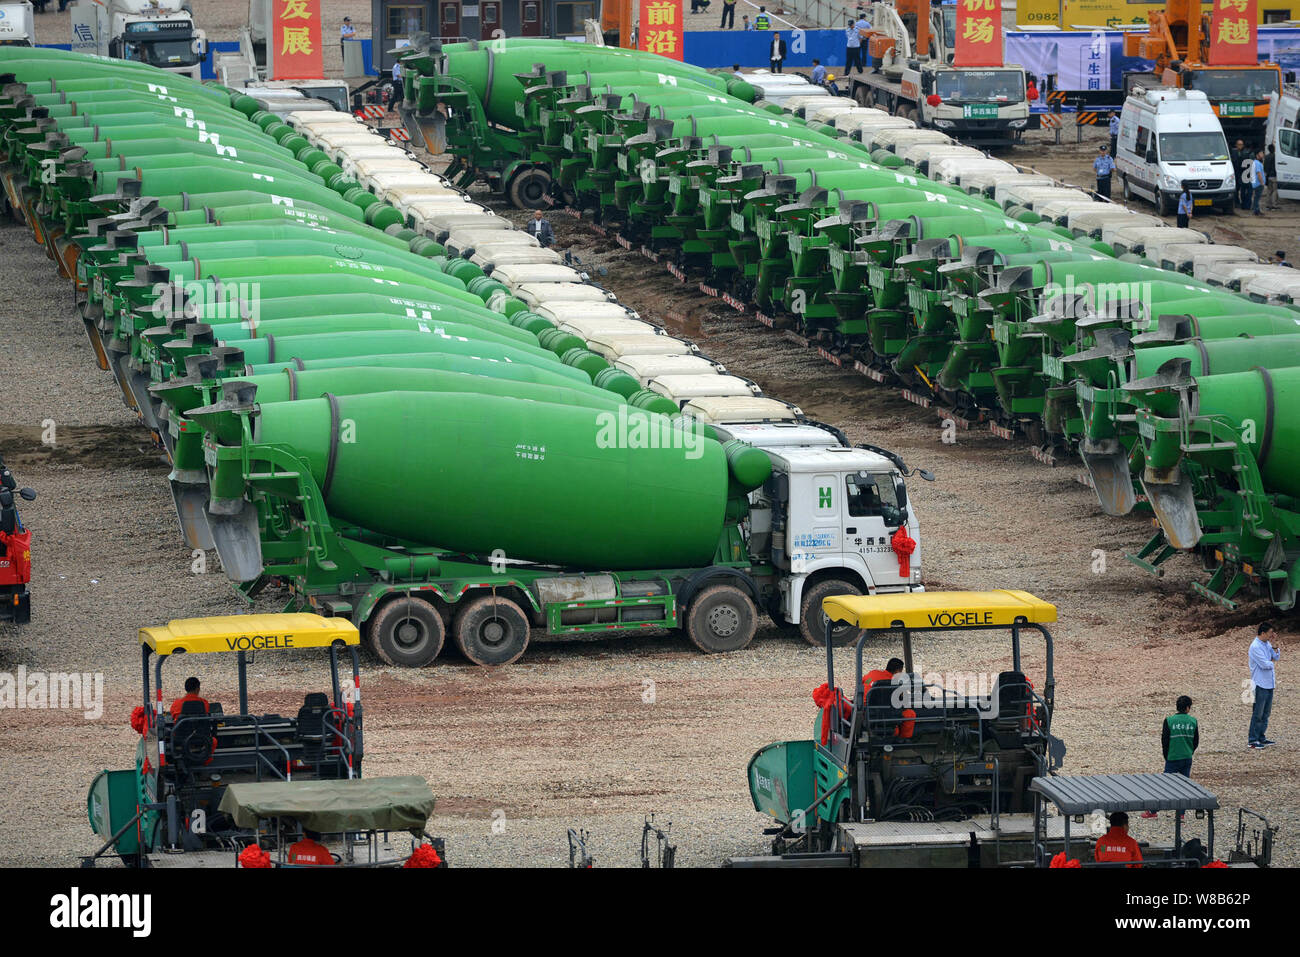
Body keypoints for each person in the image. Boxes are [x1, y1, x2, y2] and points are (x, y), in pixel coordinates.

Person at [1142, 695, 1199, 819]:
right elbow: (1196, 742)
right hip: (1187, 758)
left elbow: (1165, 740)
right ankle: (1181, 814)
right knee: (1184, 786)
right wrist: (1189, 752)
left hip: (1172, 758)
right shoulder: (1193, 721)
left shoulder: (1169, 720)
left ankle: (1153, 810)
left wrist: (1167, 756)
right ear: (1188, 708)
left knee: (1164, 785)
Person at [1248, 621, 1280, 749]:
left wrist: (1275, 645)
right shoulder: (1255, 646)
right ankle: (1252, 740)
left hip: (1269, 683)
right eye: (1270, 633)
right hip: (1259, 683)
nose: (1272, 635)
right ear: (1263, 633)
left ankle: (1261, 737)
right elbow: (1265, 665)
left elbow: (1275, 657)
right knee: (1258, 713)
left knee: (1266, 713)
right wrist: (1271, 662)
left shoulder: (1266, 643)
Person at [1232, 139, 1251, 208]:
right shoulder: (1233, 152)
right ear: (1236, 145)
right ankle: (1236, 202)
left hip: (1242, 173)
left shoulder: (1245, 152)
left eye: (1241, 145)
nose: (1240, 146)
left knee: (1243, 189)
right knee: (1236, 189)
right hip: (1236, 173)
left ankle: (1243, 203)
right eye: (1239, 144)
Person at [1252, 149, 1266, 216]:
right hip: (1258, 183)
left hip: (1257, 183)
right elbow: (1258, 173)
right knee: (1257, 198)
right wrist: (1262, 182)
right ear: (1257, 155)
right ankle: (1256, 211)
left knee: (1256, 197)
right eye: (1261, 153)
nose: (1262, 154)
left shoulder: (1256, 162)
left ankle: (1256, 210)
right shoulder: (1257, 163)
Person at [1265, 144, 1279, 210]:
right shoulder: (1275, 156)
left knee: (1269, 191)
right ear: (1274, 149)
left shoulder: (1266, 157)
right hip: (1274, 175)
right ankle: (1274, 205)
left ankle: (1268, 205)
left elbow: (1265, 167)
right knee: (1275, 191)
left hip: (1268, 176)